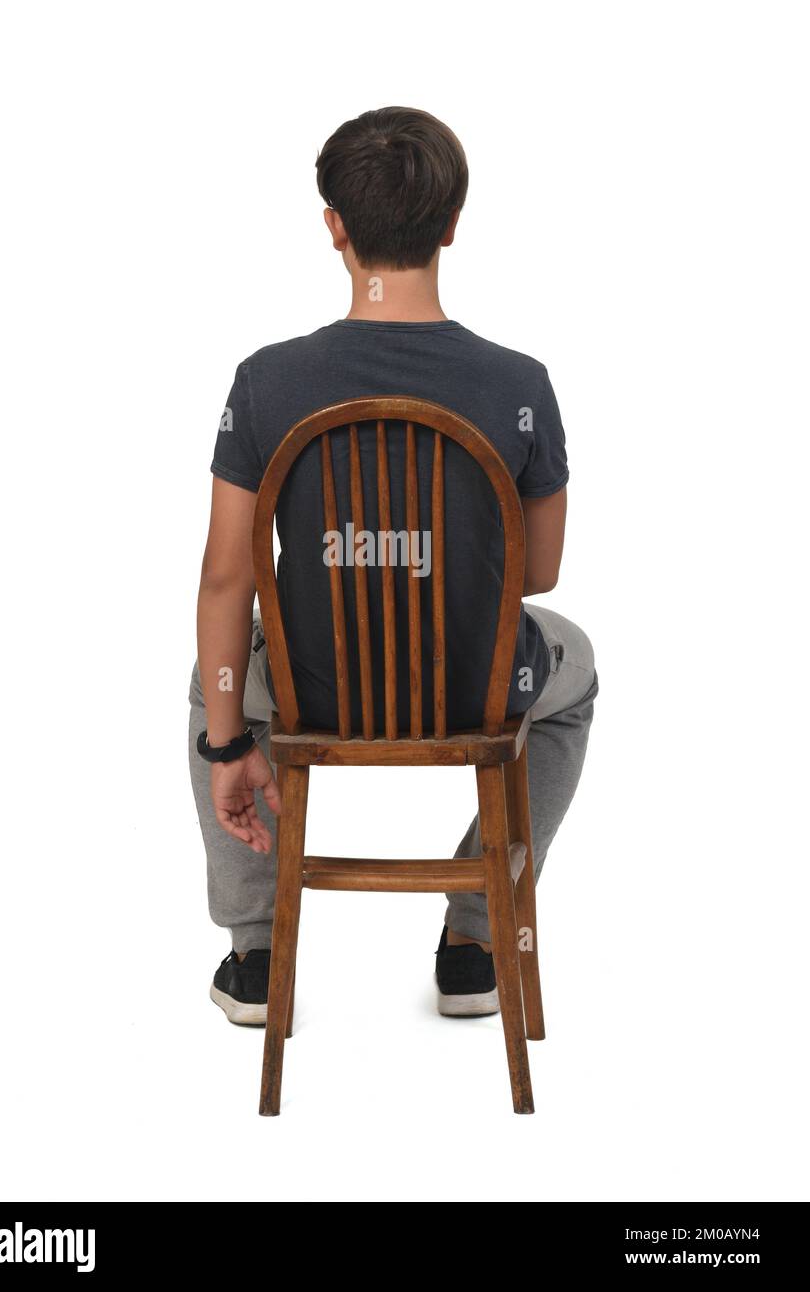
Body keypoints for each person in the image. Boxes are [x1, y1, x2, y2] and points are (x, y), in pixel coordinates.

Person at [188, 106, 598, 1025]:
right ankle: (476, 935)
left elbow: (226, 580)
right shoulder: (518, 384)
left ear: (334, 225)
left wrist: (228, 747)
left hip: (311, 695)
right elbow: (537, 575)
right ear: (453, 223)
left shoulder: (267, 380)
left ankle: (256, 957)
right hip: (477, 691)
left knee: (209, 682)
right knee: (577, 669)